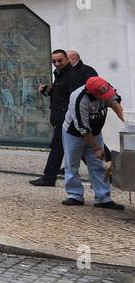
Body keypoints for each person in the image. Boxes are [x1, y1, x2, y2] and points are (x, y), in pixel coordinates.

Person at [31, 49, 97, 187]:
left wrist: (71, 116)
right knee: (81, 147)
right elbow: (59, 94)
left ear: (67, 59)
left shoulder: (73, 75)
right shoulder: (60, 74)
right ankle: (106, 168)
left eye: (59, 60)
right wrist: (47, 91)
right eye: (53, 61)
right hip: (61, 117)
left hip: (66, 118)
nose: (56, 64)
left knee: (58, 147)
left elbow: (74, 98)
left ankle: (49, 177)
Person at [61, 76, 126, 209]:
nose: (106, 97)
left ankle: (103, 198)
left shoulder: (105, 87)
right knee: (72, 163)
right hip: (74, 133)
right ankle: (75, 195)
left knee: (99, 165)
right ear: (92, 93)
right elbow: (83, 128)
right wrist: (96, 148)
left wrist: (127, 123)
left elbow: (115, 103)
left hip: (95, 131)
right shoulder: (79, 99)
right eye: (103, 96)